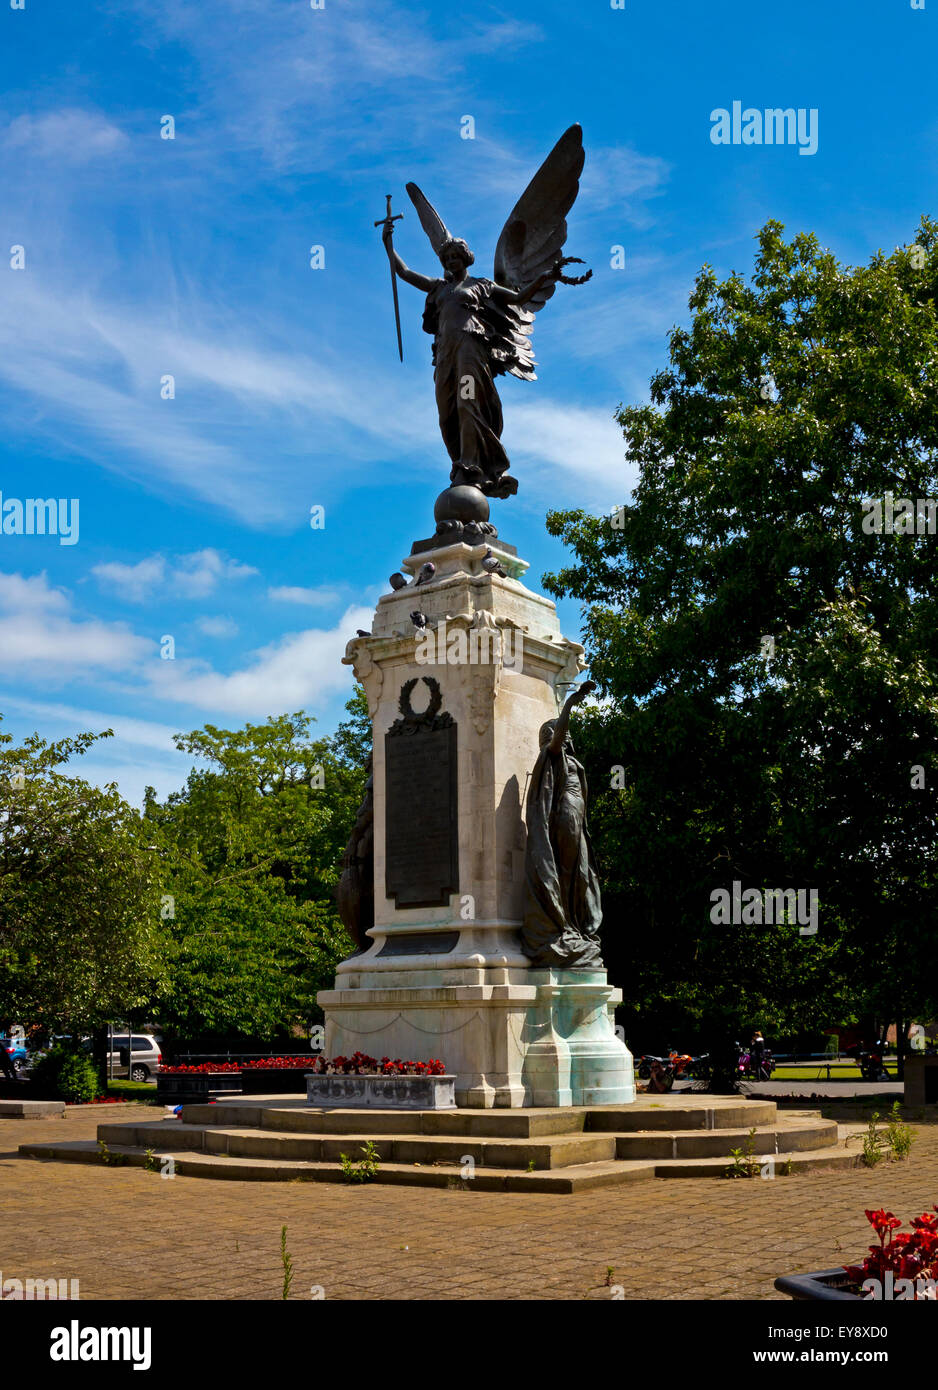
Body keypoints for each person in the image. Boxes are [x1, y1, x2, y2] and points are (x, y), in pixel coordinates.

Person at [521, 680, 604, 969]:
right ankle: (564, 923)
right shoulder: (552, 755)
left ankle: (574, 926)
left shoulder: (574, 762)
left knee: (581, 875)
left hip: (577, 824)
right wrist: (571, 701)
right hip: (565, 820)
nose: (566, 736)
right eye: (561, 732)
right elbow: (557, 738)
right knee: (568, 873)